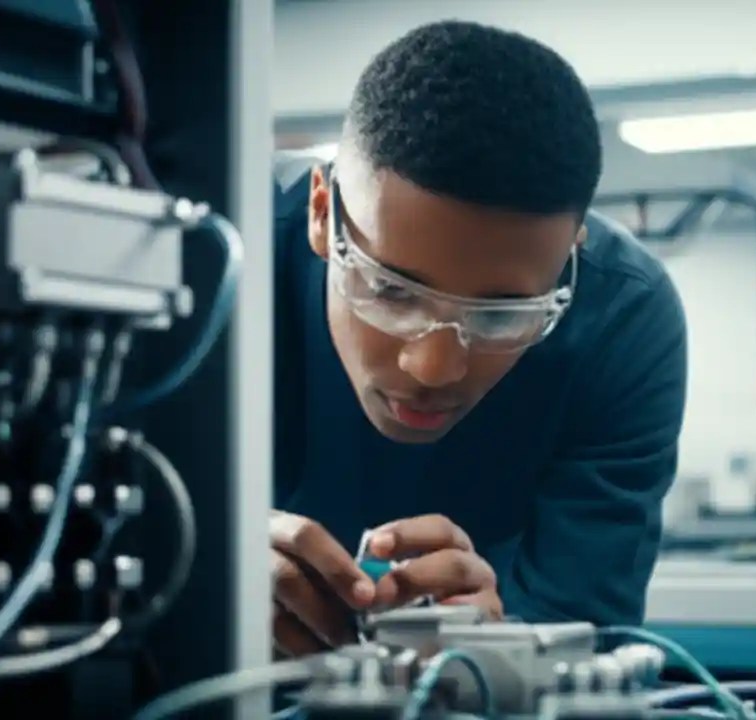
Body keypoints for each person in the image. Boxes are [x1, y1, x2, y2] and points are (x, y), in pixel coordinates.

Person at [270, 19, 687, 657]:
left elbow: (583, 640)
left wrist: (502, 655)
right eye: (390, 290)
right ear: (322, 215)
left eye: (501, 314)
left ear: (570, 251)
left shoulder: (625, 320)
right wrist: (193, 567)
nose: (433, 368)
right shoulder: (204, 259)